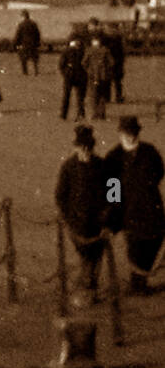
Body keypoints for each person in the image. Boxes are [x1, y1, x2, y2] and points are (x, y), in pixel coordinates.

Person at [105, 116, 165, 295]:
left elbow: (159, 172)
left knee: (154, 241)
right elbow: (112, 191)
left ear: (137, 133)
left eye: (133, 133)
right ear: (120, 134)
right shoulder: (114, 157)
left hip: (151, 208)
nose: (130, 137)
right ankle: (138, 284)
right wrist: (115, 215)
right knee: (135, 247)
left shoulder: (149, 151)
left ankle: (140, 280)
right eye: (126, 133)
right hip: (129, 212)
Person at [55, 125, 111, 305]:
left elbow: (115, 190)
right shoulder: (68, 167)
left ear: (92, 147)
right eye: (82, 147)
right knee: (86, 256)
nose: (85, 150)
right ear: (76, 147)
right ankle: (88, 289)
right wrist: (68, 218)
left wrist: (109, 212)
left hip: (99, 222)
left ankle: (89, 289)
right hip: (77, 223)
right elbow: (60, 195)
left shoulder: (102, 165)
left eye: (88, 147)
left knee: (95, 257)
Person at [85, 34, 114, 120]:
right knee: (102, 96)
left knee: (94, 96)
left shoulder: (89, 50)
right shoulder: (105, 50)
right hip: (103, 76)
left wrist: (89, 70)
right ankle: (102, 114)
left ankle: (94, 114)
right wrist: (106, 70)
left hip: (93, 76)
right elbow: (111, 62)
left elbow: (84, 62)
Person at [59, 36, 87, 121]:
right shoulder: (83, 51)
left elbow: (61, 64)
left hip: (71, 75)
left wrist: (65, 73)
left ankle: (64, 114)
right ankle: (80, 114)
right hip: (79, 75)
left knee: (68, 96)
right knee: (79, 97)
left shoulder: (67, 51)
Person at [14, 10, 41, 76]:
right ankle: (36, 71)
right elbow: (37, 34)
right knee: (34, 59)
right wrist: (37, 42)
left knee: (23, 59)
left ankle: (25, 72)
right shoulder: (33, 24)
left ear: (23, 16)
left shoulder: (21, 25)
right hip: (33, 43)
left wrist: (16, 44)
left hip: (24, 43)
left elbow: (18, 35)